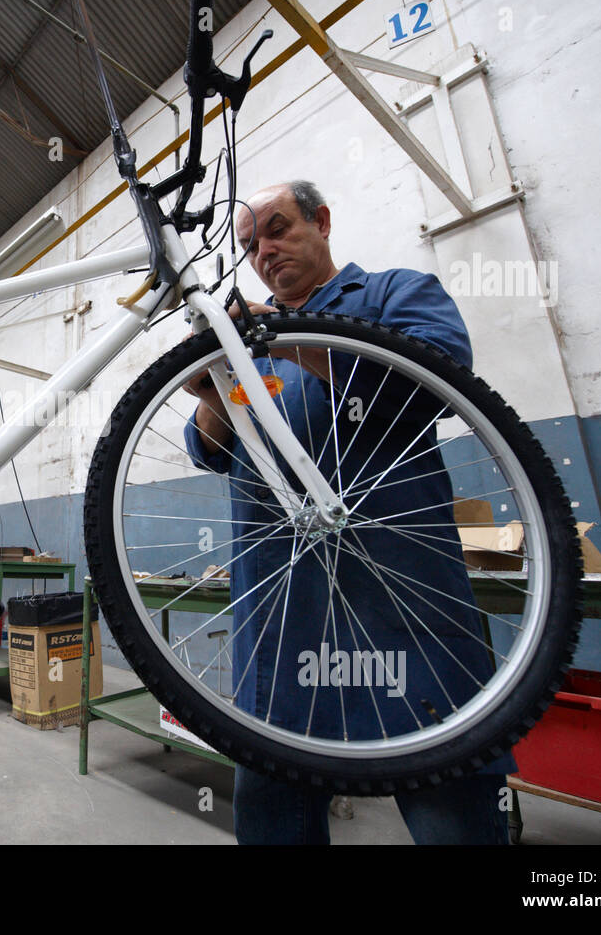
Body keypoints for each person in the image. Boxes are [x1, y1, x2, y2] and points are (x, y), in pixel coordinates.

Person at [182, 181, 513, 844]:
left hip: (401, 605)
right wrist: (219, 379)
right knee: (275, 813)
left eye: (278, 229)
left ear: (323, 221)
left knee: (452, 807)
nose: (265, 251)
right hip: (281, 621)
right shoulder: (250, 339)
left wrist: (278, 338)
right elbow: (206, 448)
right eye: (251, 246)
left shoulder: (392, 294)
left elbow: (440, 372)